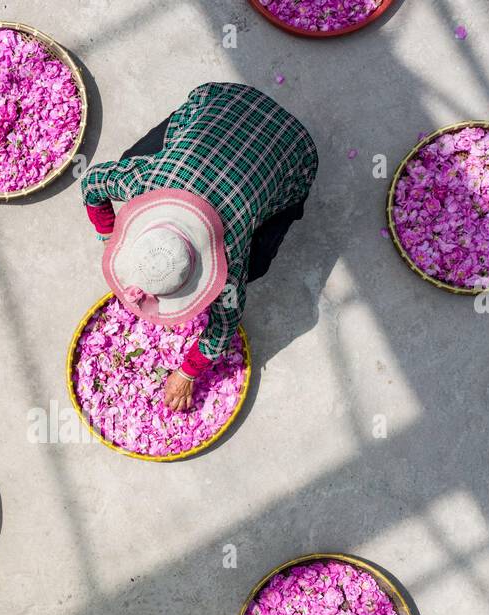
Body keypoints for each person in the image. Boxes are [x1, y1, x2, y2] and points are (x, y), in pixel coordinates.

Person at [81, 82, 318, 411]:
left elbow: (224, 327)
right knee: (131, 159)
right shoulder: (146, 181)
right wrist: (108, 235)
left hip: (296, 151)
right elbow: (92, 183)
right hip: (227, 100)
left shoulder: (232, 256)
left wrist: (186, 374)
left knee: (258, 263)